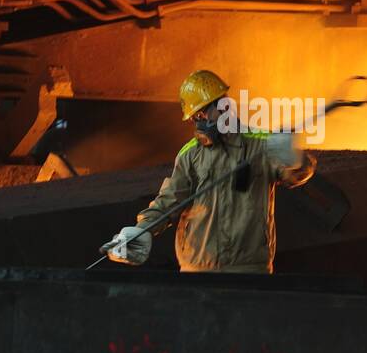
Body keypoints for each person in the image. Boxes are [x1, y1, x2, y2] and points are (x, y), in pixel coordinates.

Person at [104, 70, 315, 273]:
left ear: (223, 106)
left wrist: (295, 160)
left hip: (248, 269)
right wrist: (142, 229)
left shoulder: (261, 144)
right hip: (197, 268)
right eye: (196, 116)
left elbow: (295, 176)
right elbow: (168, 202)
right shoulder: (190, 154)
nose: (201, 120)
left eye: (204, 112)